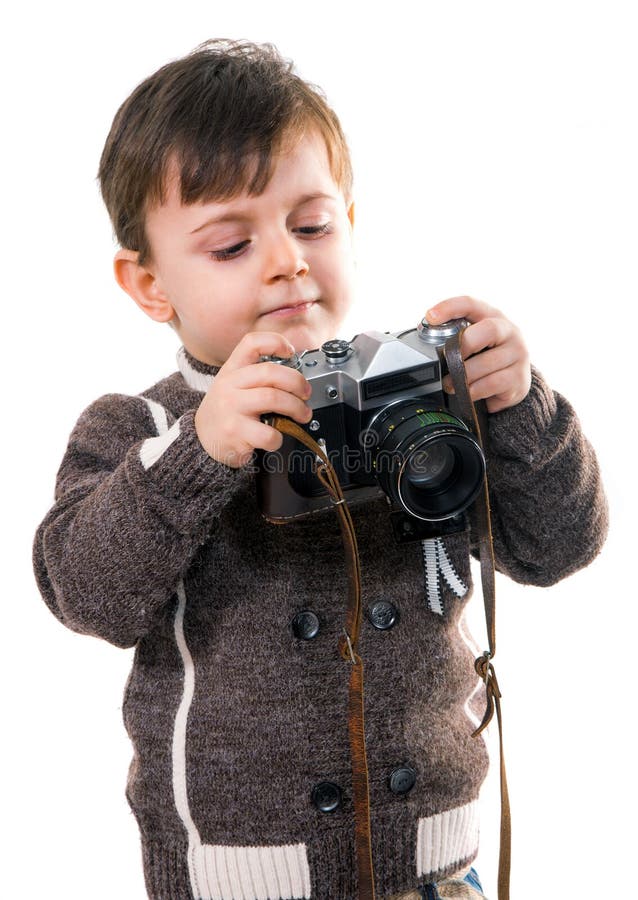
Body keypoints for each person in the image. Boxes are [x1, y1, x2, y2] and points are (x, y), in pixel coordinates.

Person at [32, 39, 608, 900]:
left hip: (438, 871)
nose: (286, 261)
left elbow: (559, 547)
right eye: (231, 245)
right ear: (149, 286)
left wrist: (517, 404)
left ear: (351, 219)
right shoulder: (143, 427)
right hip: (237, 881)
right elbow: (86, 593)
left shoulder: (418, 390)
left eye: (312, 225)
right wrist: (203, 450)